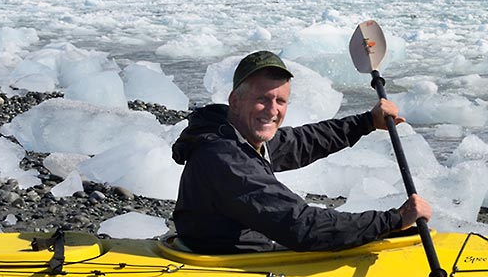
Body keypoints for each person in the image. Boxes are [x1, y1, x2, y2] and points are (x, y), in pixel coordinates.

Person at [170, 50, 431, 254]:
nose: (272, 110)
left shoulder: (236, 134)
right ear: (236, 101)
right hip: (224, 263)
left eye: (280, 101)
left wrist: (366, 122)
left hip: (235, 249)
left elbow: (304, 141)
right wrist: (393, 220)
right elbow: (303, 226)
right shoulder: (225, 157)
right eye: (262, 98)